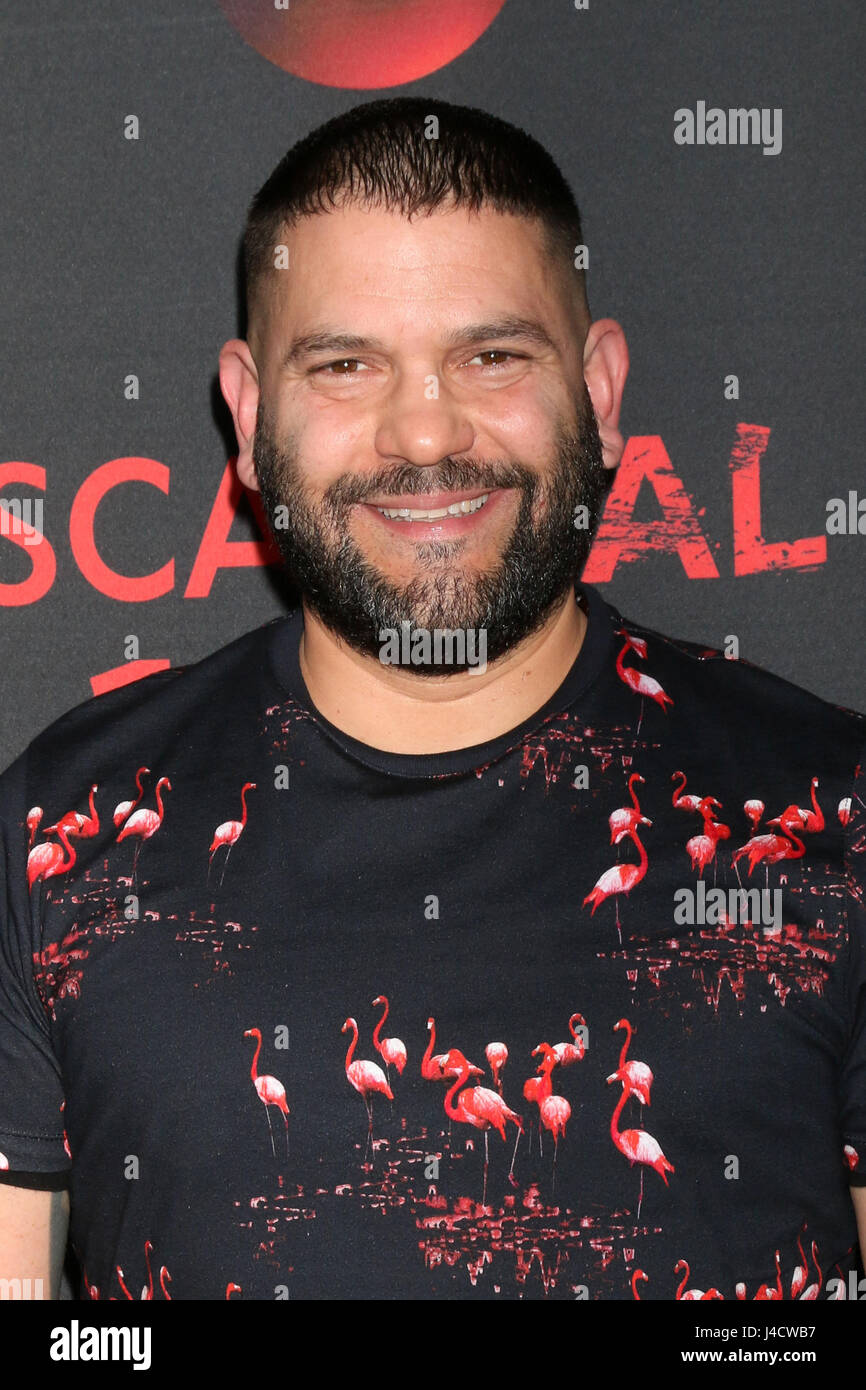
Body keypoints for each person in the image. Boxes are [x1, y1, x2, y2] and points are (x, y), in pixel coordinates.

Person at [1, 96, 864, 1302]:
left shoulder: (834, 818)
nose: (423, 430)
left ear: (600, 391)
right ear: (248, 418)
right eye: (346, 364)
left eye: (490, 355)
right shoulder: (54, 837)